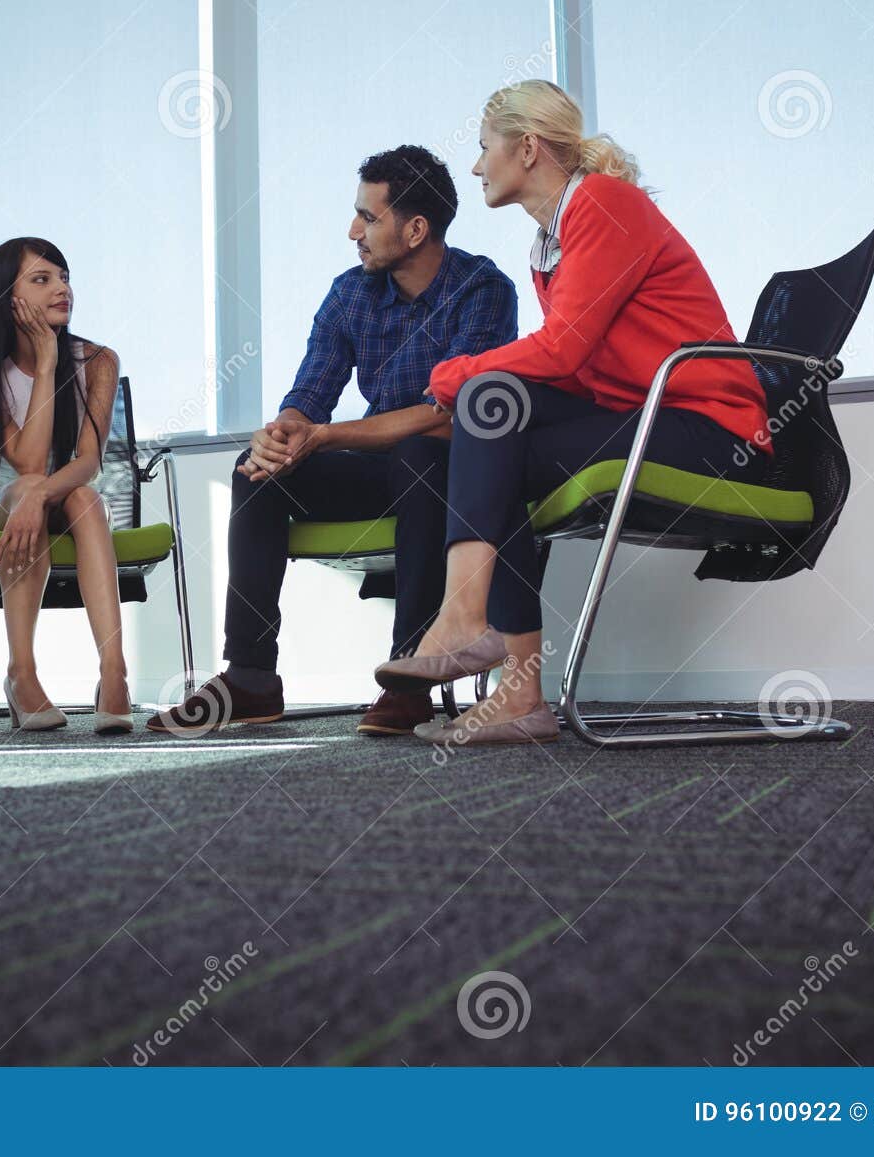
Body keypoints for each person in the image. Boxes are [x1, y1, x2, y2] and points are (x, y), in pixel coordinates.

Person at [373, 81, 774, 745]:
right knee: (493, 416)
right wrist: (475, 392)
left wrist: (456, 374)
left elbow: (563, 350)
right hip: (646, 414)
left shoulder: (605, 205)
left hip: (711, 430)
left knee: (484, 395)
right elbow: (583, 366)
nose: (475, 167)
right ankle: (519, 692)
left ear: (527, 148)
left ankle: (467, 621)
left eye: (483, 150)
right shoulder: (549, 247)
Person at [147, 145, 517, 737]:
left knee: (423, 455)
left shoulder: (483, 289)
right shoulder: (350, 293)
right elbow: (309, 396)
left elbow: (448, 417)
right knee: (256, 469)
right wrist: (284, 435)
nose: (354, 232)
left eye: (368, 218)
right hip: (380, 469)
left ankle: (410, 674)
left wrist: (323, 435)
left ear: (416, 229)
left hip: (450, 478)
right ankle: (250, 677)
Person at [0, 237, 131, 735]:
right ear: (7, 298)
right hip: (1, 505)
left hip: (71, 499)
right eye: (42, 279)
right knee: (33, 480)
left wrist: (39, 495)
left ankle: (113, 670)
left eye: (64, 277)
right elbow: (27, 462)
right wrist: (48, 364)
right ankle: (22, 673)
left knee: (85, 496)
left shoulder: (98, 360)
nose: (62, 289)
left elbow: (88, 462)